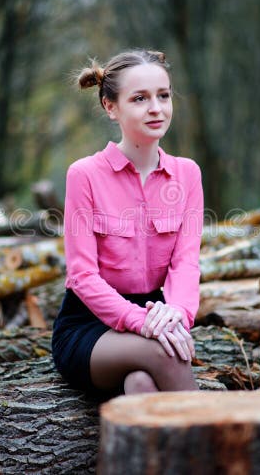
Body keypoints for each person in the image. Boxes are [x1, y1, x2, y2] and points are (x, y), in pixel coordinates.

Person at [52, 49, 204, 397]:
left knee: (141, 385)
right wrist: (143, 324)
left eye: (163, 96)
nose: (156, 108)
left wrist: (177, 315)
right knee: (164, 353)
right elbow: (82, 276)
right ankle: (215, 448)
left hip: (155, 314)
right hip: (89, 327)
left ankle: (129, 452)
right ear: (110, 107)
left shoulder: (187, 174)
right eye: (139, 98)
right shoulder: (85, 175)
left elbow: (185, 263)